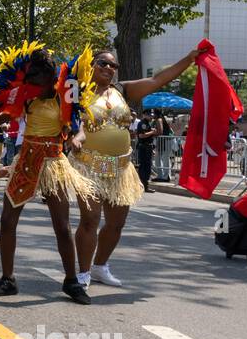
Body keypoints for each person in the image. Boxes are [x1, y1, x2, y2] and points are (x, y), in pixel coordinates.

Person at [74, 46, 203, 288]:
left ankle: (100, 266)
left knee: (116, 223)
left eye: (114, 65)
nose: (109, 69)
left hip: (121, 167)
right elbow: (72, 121)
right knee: (90, 219)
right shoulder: (77, 92)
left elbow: (158, 79)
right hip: (88, 166)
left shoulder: (122, 90)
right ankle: (82, 274)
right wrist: (76, 136)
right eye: (103, 63)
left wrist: (188, 59)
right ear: (90, 65)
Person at [0, 49, 95, 303]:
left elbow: (80, 128)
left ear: (51, 79)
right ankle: (8, 279)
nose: (36, 89)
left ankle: (71, 281)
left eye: (40, 84)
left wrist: (77, 139)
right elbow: (0, 117)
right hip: (26, 162)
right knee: (7, 220)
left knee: (62, 226)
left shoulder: (64, 97)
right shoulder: (25, 98)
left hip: (54, 162)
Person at [133, 109, 160, 191]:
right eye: (149, 115)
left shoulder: (147, 123)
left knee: (147, 167)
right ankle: (143, 185)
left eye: (151, 115)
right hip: (144, 147)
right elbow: (141, 135)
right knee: (144, 167)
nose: (151, 116)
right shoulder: (143, 123)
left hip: (148, 147)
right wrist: (152, 132)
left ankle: (145, 185)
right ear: (144, 115)